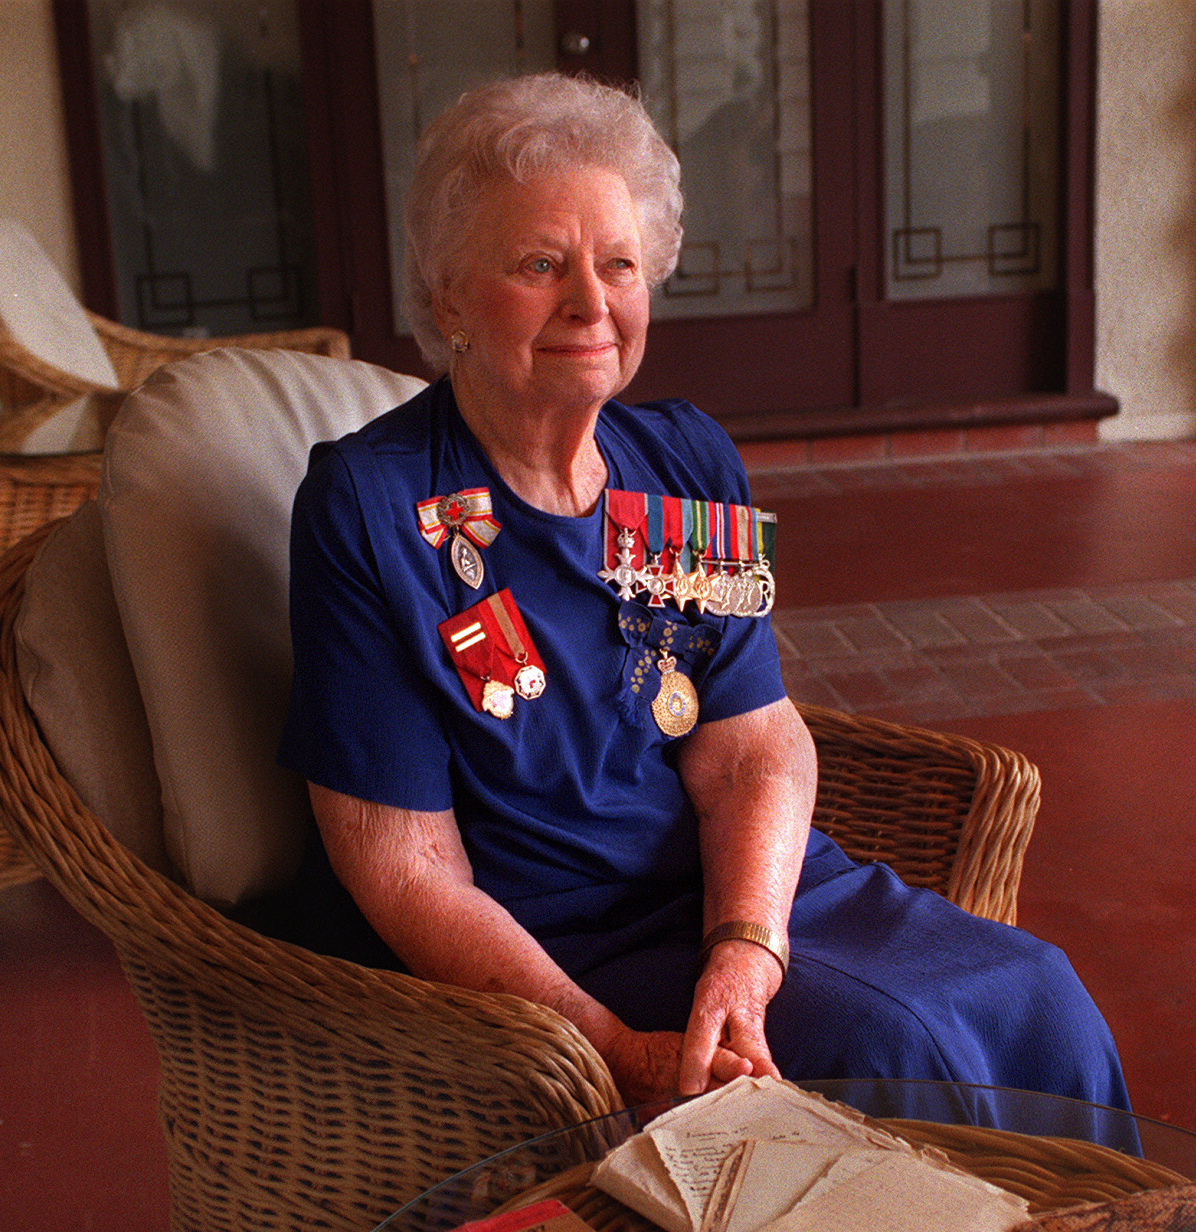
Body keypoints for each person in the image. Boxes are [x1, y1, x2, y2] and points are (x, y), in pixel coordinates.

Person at [277, 71, 1130, 1116]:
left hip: (747, 892)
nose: (591, 302)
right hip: (560, 937)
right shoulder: (367, 506)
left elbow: (751, 743)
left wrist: (745, 948)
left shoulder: (682, 461)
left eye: (619, 264)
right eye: (540, 264)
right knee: (900, 1050)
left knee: (1041, 994)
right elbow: (405, 873)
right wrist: (606, 1049)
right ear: (448, 294)